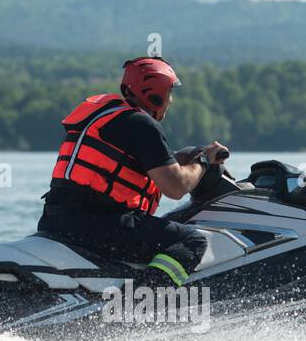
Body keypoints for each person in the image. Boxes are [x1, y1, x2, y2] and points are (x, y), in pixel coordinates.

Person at [38, 56, 229, 288]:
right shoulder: (142, 125)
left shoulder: (107, 115)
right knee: (191, 240)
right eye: (169, 92)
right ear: (155, 95)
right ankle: (143, 304)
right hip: (98, 224)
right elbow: (176, 187)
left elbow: (134, 165)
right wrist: (204, 161)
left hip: (54, 218)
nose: (171, 100)